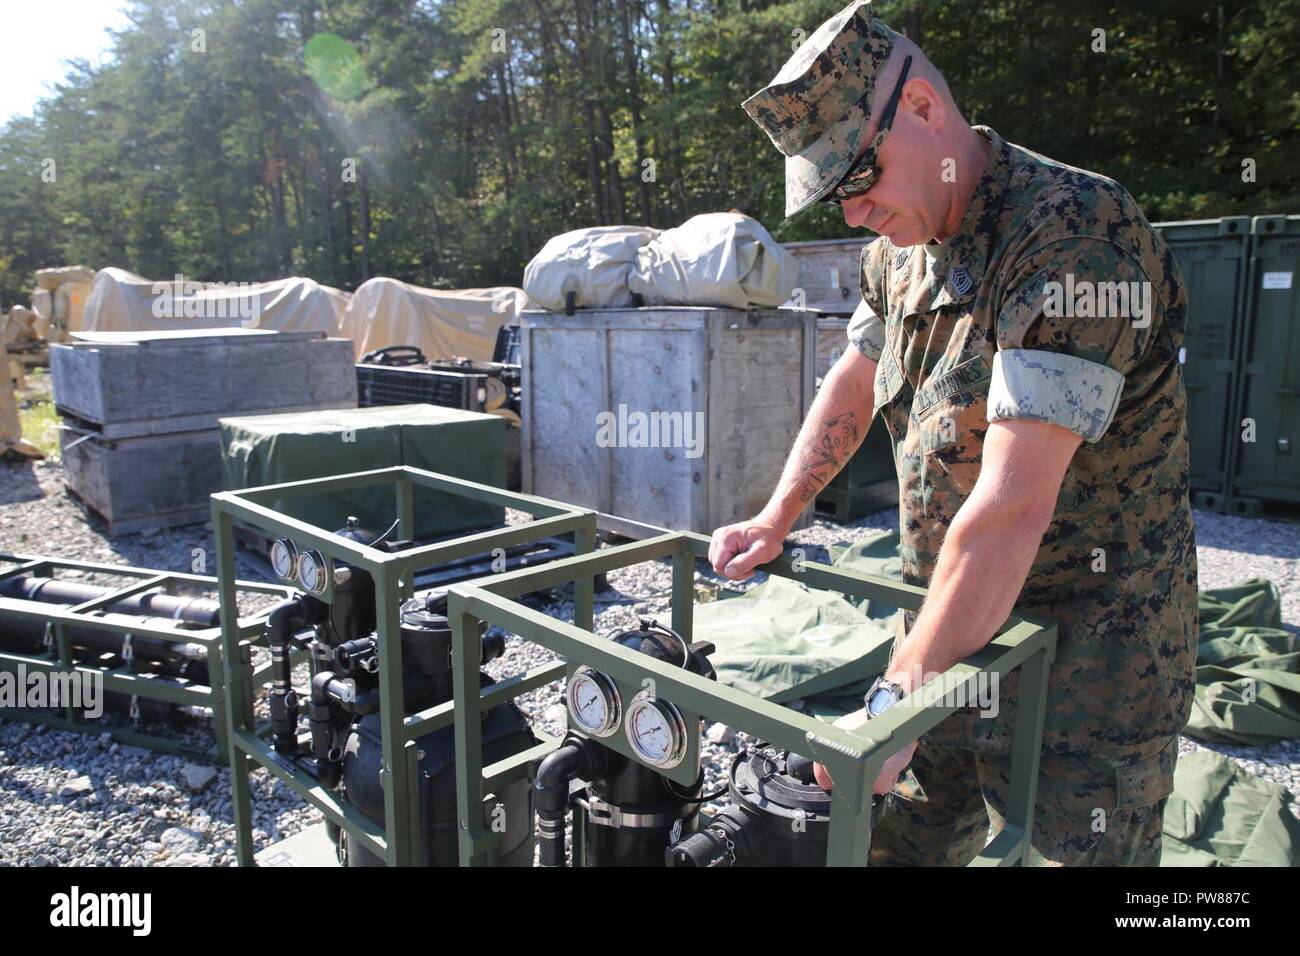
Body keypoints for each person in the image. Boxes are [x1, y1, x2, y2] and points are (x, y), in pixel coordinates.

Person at [709, 0, 1198, 865]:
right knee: (899, 841)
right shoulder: (897, 251)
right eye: (834, 192)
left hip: (1087, 655)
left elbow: (1011, 508)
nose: (852, 212)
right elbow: (855, 379)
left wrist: (897, 698)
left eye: (859, 175)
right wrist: (778, 514)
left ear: (926, 109)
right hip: (946, 623)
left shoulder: (1073, 237)